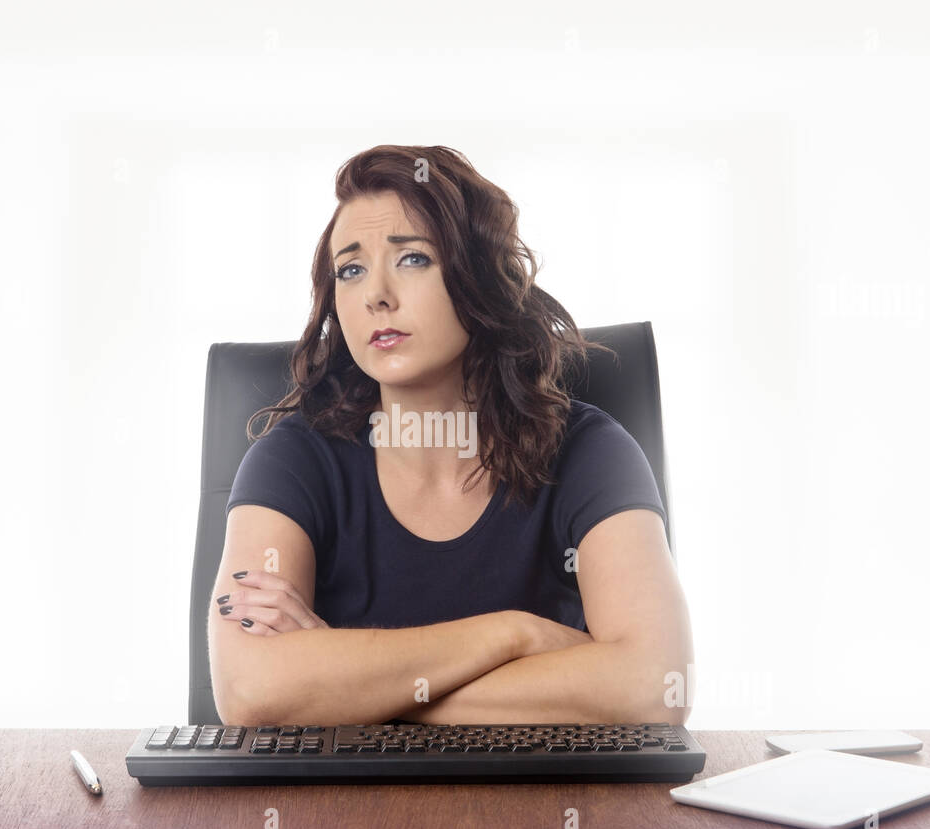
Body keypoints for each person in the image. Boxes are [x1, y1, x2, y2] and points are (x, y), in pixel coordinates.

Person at [209, 145, 693, 728]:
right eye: (351, 269)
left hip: (548, 811)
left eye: (412, 259)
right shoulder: (292, 461)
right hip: (344, 816)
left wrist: (355, 694)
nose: (375, 295)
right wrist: (516, 634)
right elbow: (251, 693)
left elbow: (655, 687)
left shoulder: (591, 452)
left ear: (479, 276)